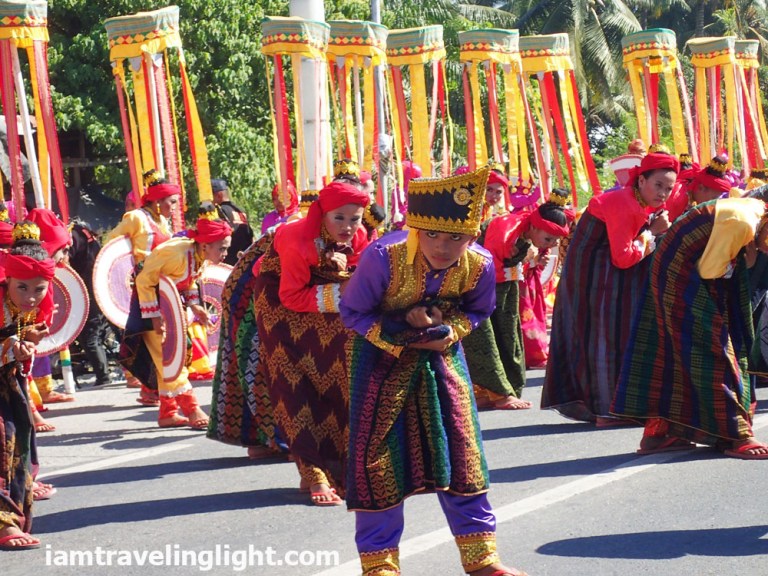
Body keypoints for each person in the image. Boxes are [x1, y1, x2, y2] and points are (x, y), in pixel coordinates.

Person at [340, 165, 527, 576]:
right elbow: (352, 311)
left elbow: (479, 309)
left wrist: (449, 331)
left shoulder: (479, 263)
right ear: (417, 230)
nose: (444, 247)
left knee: (462, 450)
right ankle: (380, 567)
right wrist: (401, 332)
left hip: (443, 359)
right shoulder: (381, 257)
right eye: (434, 236)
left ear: (472, 237)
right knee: (378, 461)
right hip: (379, 362)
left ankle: (482, 560)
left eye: (456, 237)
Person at [612, 195, 768, 459]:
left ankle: (662, 433)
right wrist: (747, 259)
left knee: (678, 352)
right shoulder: (743, 223)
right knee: (713, 350)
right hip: (682, 272)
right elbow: (710, 270)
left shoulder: (755, 212)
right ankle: (735, 435)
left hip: (682, 267)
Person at [541, 148, 679, 425]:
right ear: (641, 181)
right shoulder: (623, 202)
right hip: (596, 280)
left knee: (612, 337)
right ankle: (605, 411)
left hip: (604, 278)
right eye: (658, 185)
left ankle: (612, 407)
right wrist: (652, 233)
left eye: (669, 188)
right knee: (604, 340)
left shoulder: (637, 202)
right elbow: (624, 257)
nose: (663, 193)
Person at [253, 180, 370, 506]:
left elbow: (360, 270)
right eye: (339, 218)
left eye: (355, 218)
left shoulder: (359, 236)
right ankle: (314, 471)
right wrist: (343, 291)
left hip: (323, 300)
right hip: (278, 302)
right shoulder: (296, 240)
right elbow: (290, 295)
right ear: (321, 213)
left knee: (338, 375)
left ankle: (331, 464)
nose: (348, 227)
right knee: (294, 383)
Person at [126, 206, 232, 429]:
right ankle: (192, 408)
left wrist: (195, 306)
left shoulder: (198, 256)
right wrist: (155, 317)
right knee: (169, 358)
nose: (225, 255)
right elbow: (144, 281)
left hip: (169, 308)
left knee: (174, 358)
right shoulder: (175, 253)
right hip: (149, 306)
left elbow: (188, 281)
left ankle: (168, 412)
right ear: (205, 245)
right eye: (222, 249)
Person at [0, 221, 56, 550]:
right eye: (22, 288)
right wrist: (11, 347)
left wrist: (26, 343)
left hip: (7, 383)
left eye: (39, 289)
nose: (31, 297)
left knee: (18, 440)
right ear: (6, 278)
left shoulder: (28, 309)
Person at [107, 171, 177, 405]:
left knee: (159, 343)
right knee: (159, 343)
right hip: (143, 290)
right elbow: (112, 244)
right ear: (158, 201)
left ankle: (152, 390)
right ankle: (172, 403)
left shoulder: (163, 221)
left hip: (162, 289)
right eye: (172, 202)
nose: (175, 207)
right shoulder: (135, 217)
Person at [69, 221, 110, 387]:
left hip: (87, 290)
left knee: (89, 336)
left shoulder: (74, 235)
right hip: (99, 288)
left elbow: (67, 261)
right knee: (97, 332)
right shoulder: (88, 233)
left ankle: (103, 376)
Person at [666, 154, 734, 220]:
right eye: (714, 198)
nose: (715, 203)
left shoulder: (692, 197)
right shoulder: (677, 195)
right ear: (701, 188)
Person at [212, 178, 254, 265]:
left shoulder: (218, 211)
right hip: (245, 261)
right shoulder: (241, 210)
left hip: (228, 262)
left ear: (218, 195)